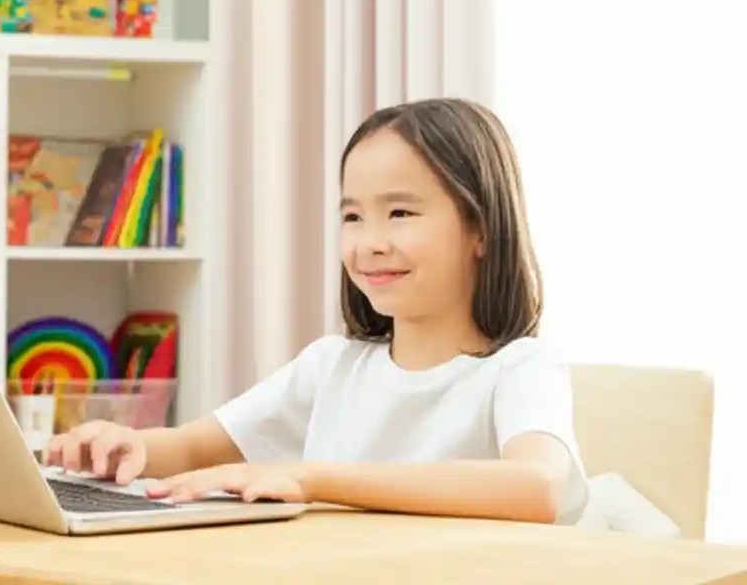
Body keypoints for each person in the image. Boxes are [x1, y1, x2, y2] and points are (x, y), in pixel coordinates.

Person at [43, 98, 589, 525]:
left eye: (400, 212)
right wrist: (126, 447)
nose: (369, 243)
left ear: (482, 229)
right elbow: (191, 447)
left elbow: (537, 488)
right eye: (353, 217)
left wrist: (314, 479)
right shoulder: (332, 366)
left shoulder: (520, 368)